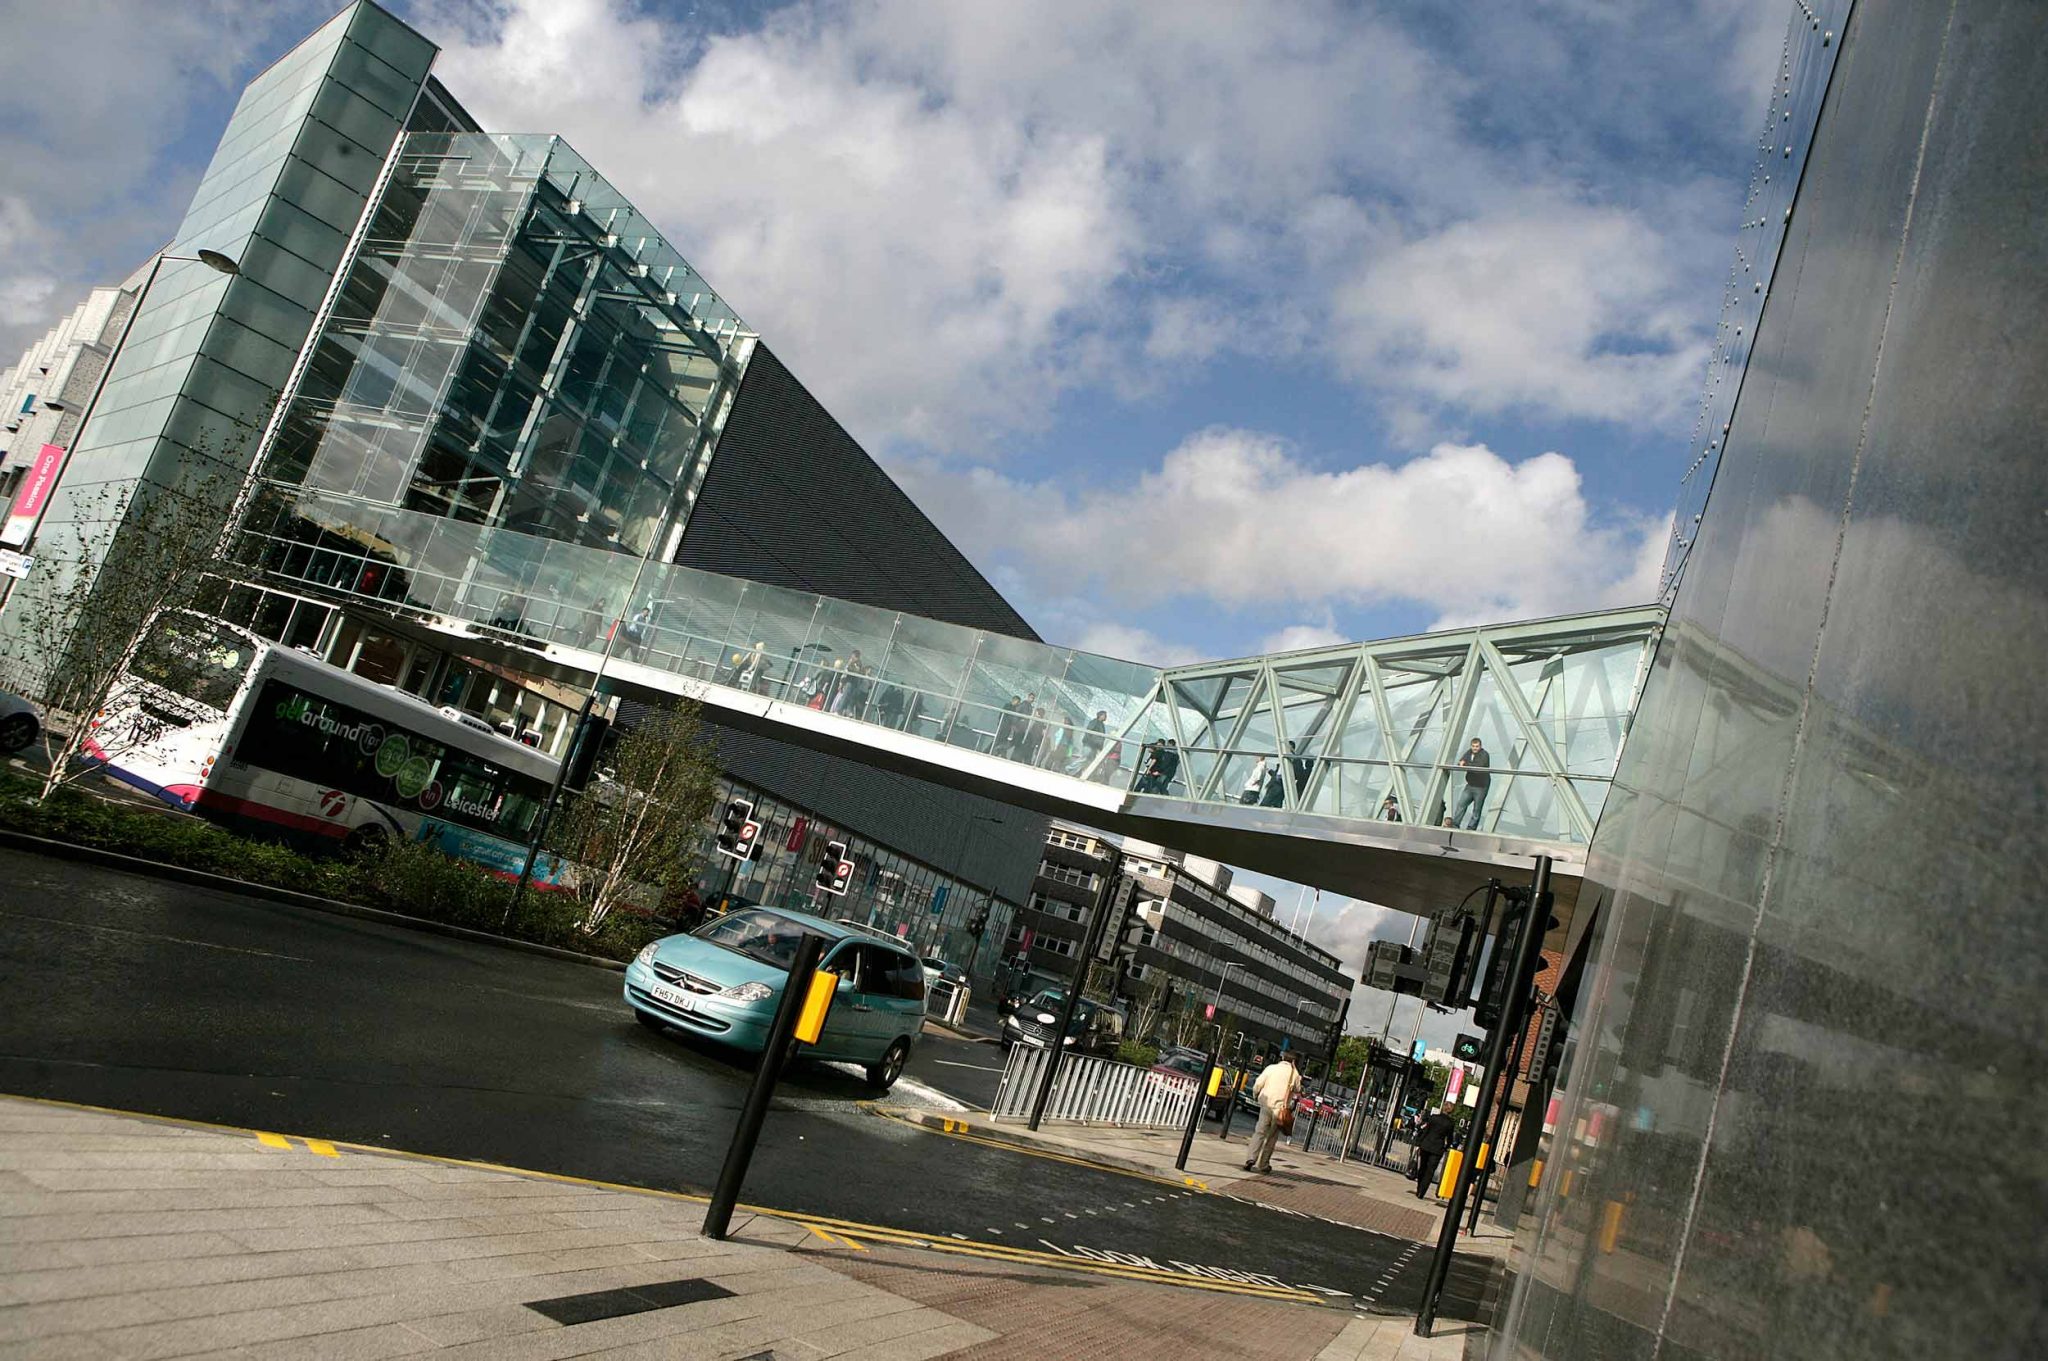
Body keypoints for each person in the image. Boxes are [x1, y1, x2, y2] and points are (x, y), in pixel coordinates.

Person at [1243, 1052, 1301, 1174]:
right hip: (1279, 1109)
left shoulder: (1271, 1068)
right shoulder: (1294, 1074)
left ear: (1282, 1058)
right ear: (1294, 1062)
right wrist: (1296, 1071)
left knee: (1259, 1132)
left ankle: (1250, 1158)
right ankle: (1263, 1164)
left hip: (1266, 1104)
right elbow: (1298, 1089)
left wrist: (1256, 1095)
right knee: (1271, 1137)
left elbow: (1258, 1083)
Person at [1413, 1103, 1458, 1199]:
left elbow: (1426, 1131)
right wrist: (1447, 1146)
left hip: (1426, 1145)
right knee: (1430, 1171)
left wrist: (1419, 1143)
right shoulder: (1450, 1123)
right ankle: (1422, 1192)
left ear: (1443, 1108)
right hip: (1437, 1148)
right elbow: (1449, 1137)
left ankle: (1419, 1187)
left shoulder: (1434, 1118)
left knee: (1422, 1167)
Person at [1452, 737, 1491, 829]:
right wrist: (1464, 764)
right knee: (1461, 804)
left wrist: (1465, 764)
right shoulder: (1469, 752)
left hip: (1481, 787)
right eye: (1473, 746)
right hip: (1470, 785)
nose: (1475, 748)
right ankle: (1455, 824)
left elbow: (1478, 767)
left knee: (1477, 809)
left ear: (1480, 746)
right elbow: (1460, 762)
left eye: (1477, 746)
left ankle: (1471, 828)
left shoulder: (1484, 754)